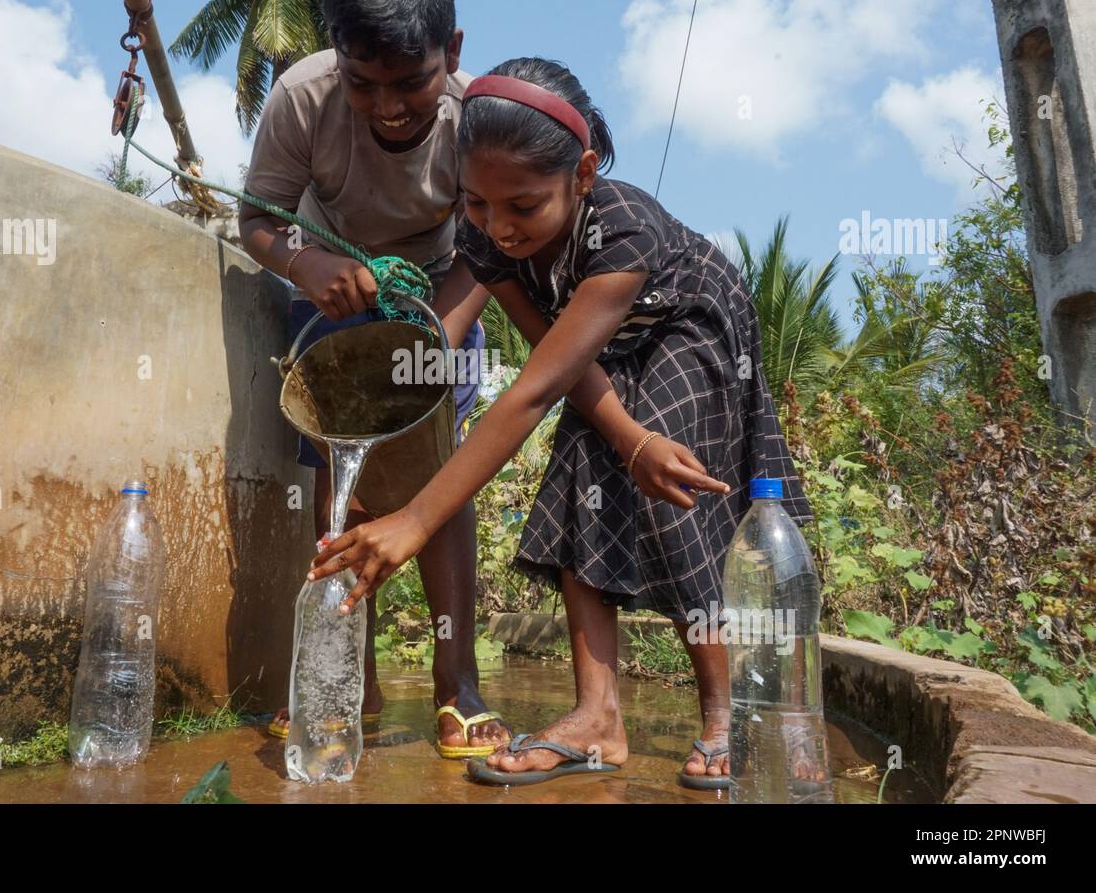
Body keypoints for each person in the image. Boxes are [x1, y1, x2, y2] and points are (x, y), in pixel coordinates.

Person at [309, 57, 814, 787]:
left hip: (686, 325)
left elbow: (534, 389)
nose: (498, 227)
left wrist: (416, 522)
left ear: (581, 175)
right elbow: (555, 356)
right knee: (584, 474)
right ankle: (597, 717)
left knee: (675, 498)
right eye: (476, 203)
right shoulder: (483, 237)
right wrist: (386, 389)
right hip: (587, 354)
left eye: (523, 206)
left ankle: (725, 710)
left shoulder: (625, 231)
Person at [237, 0, 509, 758]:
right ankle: (340, 680)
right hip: (331, 303)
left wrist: (433, 341)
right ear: (335, 58)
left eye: (411, 82)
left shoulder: (475, 120)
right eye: (364, 83)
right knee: (335, 492)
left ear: (451, 54)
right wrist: (306, 260)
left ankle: (456, 687)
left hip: (441, 296)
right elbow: (258, 219)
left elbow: (492, 248)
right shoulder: (300, 98)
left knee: (438, 488)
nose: (388, 105)